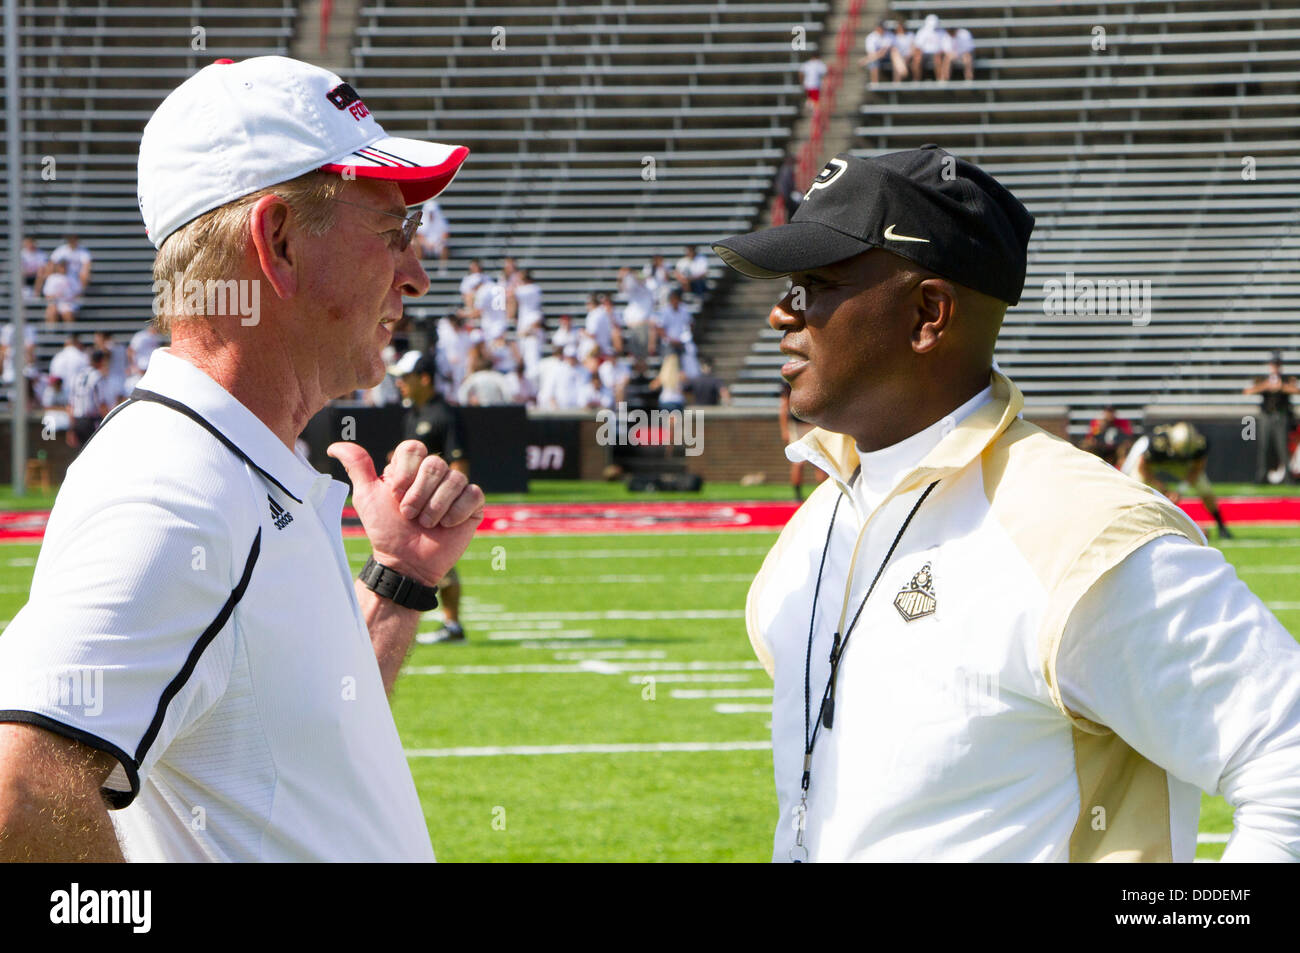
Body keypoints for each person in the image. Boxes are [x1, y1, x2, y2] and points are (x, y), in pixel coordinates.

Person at [712, 146, 1300, 862]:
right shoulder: (818, 524)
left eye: (814, 282)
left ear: (929, 313)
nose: (781, 310)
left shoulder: (1077, 532)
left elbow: (1287, 760)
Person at [0, 55, 481, 862]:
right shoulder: (174, 486)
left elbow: (280, 753)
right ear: (279, 242)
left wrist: (397, 581)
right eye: (394, 229)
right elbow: (18, 797)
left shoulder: (230, 465)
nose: (418, 274)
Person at [390, 350, 470, 643]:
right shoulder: (414, 414)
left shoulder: (443, 414)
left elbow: (459, 462)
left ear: (425, 378)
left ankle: (452, 626)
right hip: (412, 504)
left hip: (434, 504)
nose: (399, 383)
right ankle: (447, 625)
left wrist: (449, 505)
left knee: (440, 567)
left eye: (405, 377)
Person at [1120, 421, 1233, 539]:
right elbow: (1142, 468)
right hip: (1155, 463)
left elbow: (1197, 469)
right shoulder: (1158, 443)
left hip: (1181, 465)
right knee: (1135, 486)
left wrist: (1180, 490)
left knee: (1205, 489)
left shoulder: (1199, 443)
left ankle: (1222, 527)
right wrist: (1162, 489)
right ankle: (1131, 523)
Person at [1244, 352, 1297, 483]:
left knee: (1283, 448)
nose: (1275, 367)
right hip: (1266, 417)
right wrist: (1266, 386)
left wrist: (1281, 387)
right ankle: (1262, 476)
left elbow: (1296, 390)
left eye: (1277, 364)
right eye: (1274, 364)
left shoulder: (1286, 379)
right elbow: (1247, 391)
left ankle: (1288, 478)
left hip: (1281, 416)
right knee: (1264, 447)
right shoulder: (1263, 379)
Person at [778, 379, 822, 501]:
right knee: (800, 462)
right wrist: (784, 429)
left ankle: (820, 493)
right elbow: (784, 405)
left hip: (813, 423)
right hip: (803, 425)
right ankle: (799, 495)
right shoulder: (792, 380)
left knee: (819, 462)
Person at [66, 348, 113, 450]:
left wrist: (71, 428)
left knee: (80, 455)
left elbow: (70, 405)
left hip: (78, 421)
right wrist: (110, 421)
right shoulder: (97, 377)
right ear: (101, 361)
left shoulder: (77, 376)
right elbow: (101, 404)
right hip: (92, 422)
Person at [415, 198, 450, 275]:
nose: (431, 214)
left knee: (444, 247)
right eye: (429, 212)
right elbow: (420, 236)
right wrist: (427, 244)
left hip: (438, 245)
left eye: (432, 212)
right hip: (425, 245)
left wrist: (437, 243)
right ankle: (420, 267)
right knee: (417, 245)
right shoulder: (422, 221)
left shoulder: (441, 221)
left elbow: (445, 235)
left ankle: (442, 268)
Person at [42, 260, 82, 325]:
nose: (63, 268)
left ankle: (70, 333)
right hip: (55, 303)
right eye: (61, 266)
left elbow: (78, 292)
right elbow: (47, 294)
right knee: (52, 312)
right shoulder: (52, 278)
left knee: (68, 313)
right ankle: (52, 333)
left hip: (69, 303)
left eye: (64, 266)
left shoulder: (73, 277)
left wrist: (69, 298)